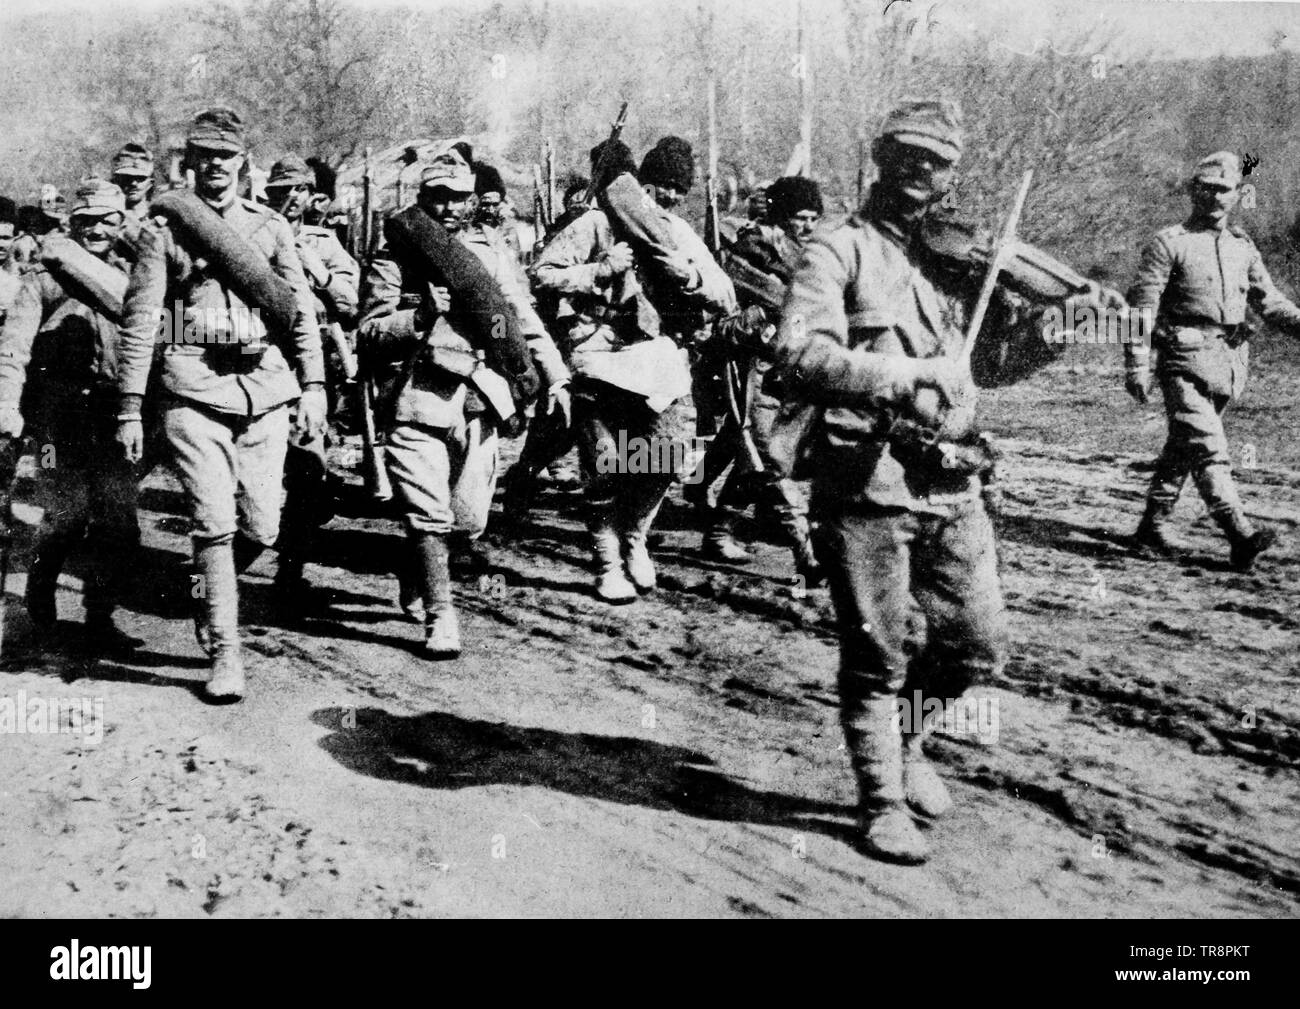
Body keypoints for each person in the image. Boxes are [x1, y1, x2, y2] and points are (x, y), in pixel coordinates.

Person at [770, 99, 1104, 863]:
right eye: (908, 156)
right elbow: (799, 355)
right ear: (882, 159)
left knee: (974, 643)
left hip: (953, 478)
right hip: (869, 474)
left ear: (953, 172)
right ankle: (880, 798)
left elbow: (988, 366)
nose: (922, 172)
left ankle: (909, 740)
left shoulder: (960, 261)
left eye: (938, 161)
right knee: (878, 649)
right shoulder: (838, 250)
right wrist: (902, 371)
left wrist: (1052, 332)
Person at [114, 107, 327, 701]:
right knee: (213, 523)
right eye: (203, 156)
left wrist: (314, 386)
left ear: (243, 162)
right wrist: (131, 406)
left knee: (263, 524)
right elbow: (141, 320)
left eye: (226, 156)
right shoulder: (167, 228)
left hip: (264, 388)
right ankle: (226, 652)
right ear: (190, 161)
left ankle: (205, 586)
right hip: (194, 389)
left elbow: (298, 312)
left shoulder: (270, 227)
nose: (215, 166)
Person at [357, 147, 559, 654]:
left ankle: (417, 567)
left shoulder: (489, 250)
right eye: (438, 198)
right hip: (417, 397)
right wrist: (420, 317)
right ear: (423, 198)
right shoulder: (396, 254)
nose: (448, 208)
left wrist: (554, 376)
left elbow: (520, 319)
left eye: (458, 199)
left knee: (468, 521)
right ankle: (440, 616)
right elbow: (370, 332)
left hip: (479, 399)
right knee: (429, 517)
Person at [531, 136, 734, 602]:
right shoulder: (597, 223)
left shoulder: (677, 233)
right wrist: (599, 271)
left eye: (677, 190)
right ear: (639, 183)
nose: (668, 196)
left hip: (658, 358)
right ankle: (606, 563)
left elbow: (726, 295)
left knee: (664, 456)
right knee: (604, 465)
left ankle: (636, 536)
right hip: (599, 354)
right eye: (660, 185)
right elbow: (541, 274)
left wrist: (691, 278)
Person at [1125, 151, 1300, 570]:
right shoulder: (1169, 243)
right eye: (1205, 188)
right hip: (1181, 360)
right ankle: (1239, 533)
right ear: (1192, 191)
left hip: (1227, 363)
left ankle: (1151, 528)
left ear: (1238, 195)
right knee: (1208, 447)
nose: (1214, 197)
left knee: (1183, 448)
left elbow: (1269, 301)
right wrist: (1136, 363)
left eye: (1224, 190)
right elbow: (1141, 309)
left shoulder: (1242, 247)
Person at [0, 179, 142, 652]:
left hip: (115, 414)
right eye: (85, 221)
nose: (97, 229)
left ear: (122, 223)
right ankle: (41, 590)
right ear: (70, 224)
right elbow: (13, 350)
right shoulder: (42, 281)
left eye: (107, 220)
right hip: (57, 420)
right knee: (66, 514)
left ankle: (100, 618)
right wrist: (6, 404)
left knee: (119, 523)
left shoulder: (137, 278)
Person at [692, 175, 823, 579]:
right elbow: (723, 311)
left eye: (814, 218)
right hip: (750, 370)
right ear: (782, 215)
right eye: (801, 217)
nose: (808, 226)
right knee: (765, 454)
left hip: (791, 373)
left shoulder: (810, 257)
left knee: (750, 450)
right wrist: (760, 320)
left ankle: (717, 526)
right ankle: (806, 551)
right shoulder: (750, 251)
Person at [263, 154, 360, 602]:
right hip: (260, 363)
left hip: (311, 370)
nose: (292, 199)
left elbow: (348, 301)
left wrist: (314, 268)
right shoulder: (255, 234)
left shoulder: (324, 243)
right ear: (270, 194)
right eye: (283, 191)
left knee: (306, 471)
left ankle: (289, 571)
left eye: (300, 190)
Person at [109, 142, 155, 257]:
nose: (133, 183)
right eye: (126, 178)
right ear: (115, 181)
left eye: (140, 179)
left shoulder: (159, 215)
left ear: (150, 183)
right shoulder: (109, 219)